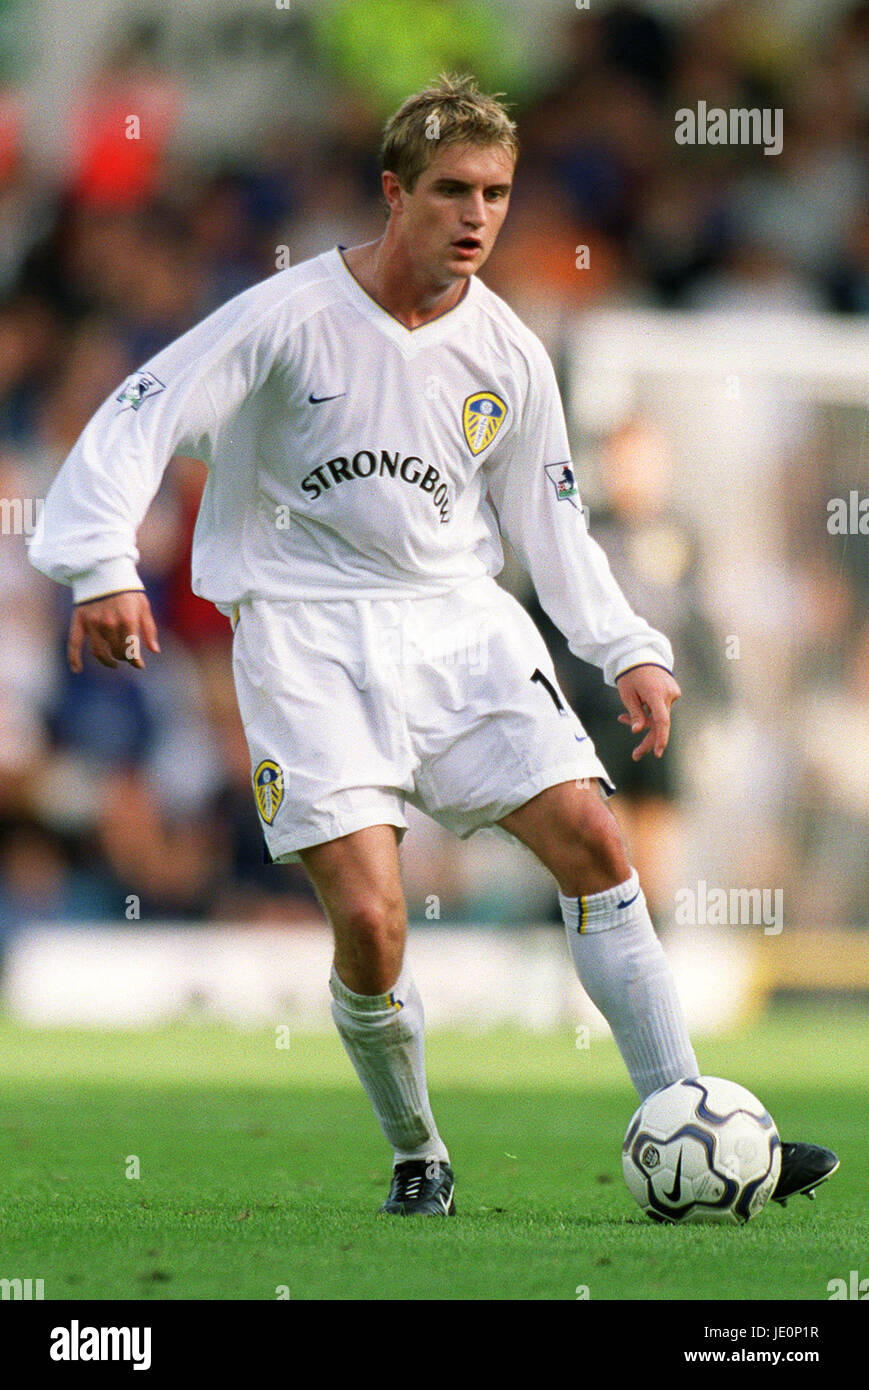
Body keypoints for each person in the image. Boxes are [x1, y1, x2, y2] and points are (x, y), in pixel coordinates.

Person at [29, 75, 837, 1217]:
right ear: (392, 192)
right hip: (305, 634)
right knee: (370, 919)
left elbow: (552, 527)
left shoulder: (506, 353)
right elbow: (139, 411)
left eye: (496, 193)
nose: (475, 216)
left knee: (596, 842)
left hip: (459, 622)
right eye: (451, 190)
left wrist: (625, 646)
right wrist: (100, 564)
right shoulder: (287, 316)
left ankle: (682, 1112)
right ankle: (418, 1152)